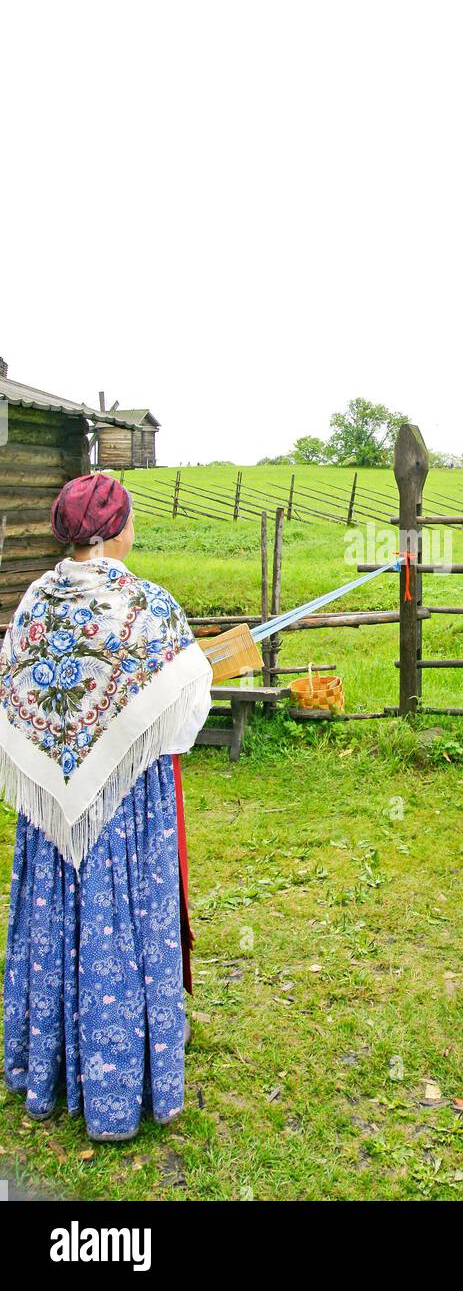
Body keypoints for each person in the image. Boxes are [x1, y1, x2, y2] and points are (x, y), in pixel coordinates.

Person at [0, 473, 212, 1140]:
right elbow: (186, 708)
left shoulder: (34, 600)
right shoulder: (146, 602)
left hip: (52, 814)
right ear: (116, 526)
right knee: (122, 921)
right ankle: (123, 1082)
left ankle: (50, 1068)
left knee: (55, 920)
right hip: (127, 806)